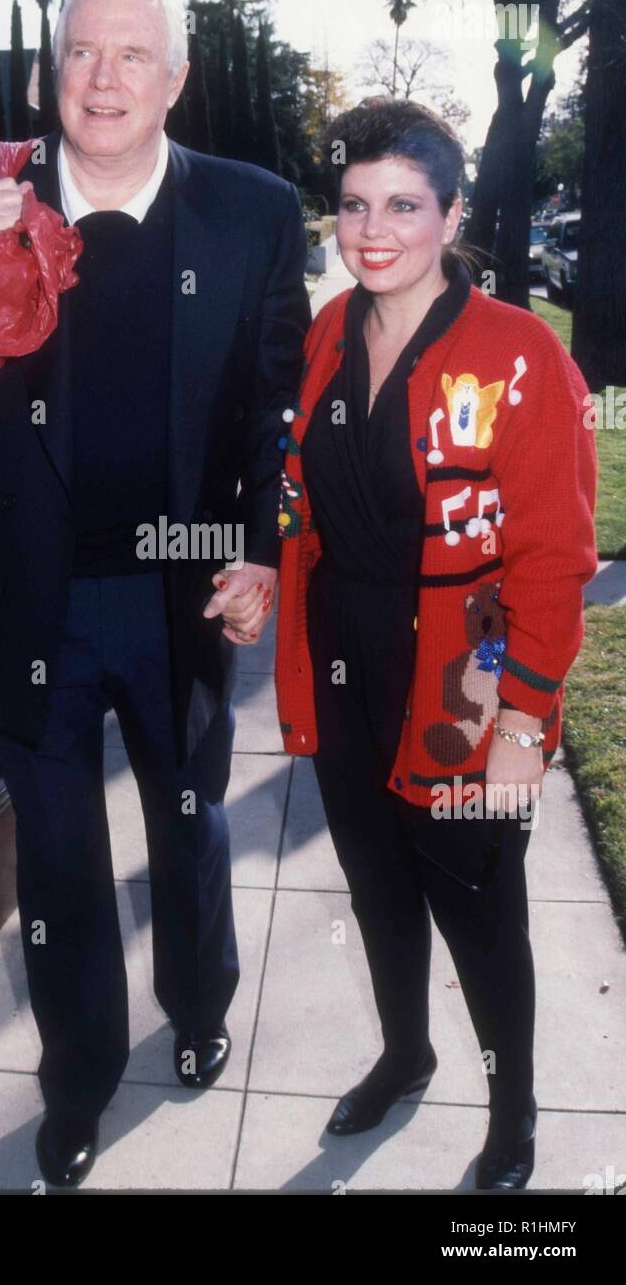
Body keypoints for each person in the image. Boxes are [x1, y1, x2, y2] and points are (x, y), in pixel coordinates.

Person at [0, 0, 310, 1187]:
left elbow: (273, 402)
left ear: (173, 80)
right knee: (56, 860)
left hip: (180, 593)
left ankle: (201, 1004)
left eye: (129, 57)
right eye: (81, 55)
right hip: (27, 598)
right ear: (54, 72)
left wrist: (259, 541)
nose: (102, 80)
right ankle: (79, 1083)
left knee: (190, 824)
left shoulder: (252, 213)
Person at [274, 97, 597, 1190]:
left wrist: (519, 718)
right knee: (373, 881)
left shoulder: (514, 356)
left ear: (450, 212)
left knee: (478, 909)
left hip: (460, 682)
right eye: (353, 203)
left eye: (403, 204)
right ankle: (404, 1051)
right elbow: (306, 498)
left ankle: (513, 1114)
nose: (372, 229)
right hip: (343, 655)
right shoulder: (328, 331)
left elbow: (552, 559)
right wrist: (256, 566)